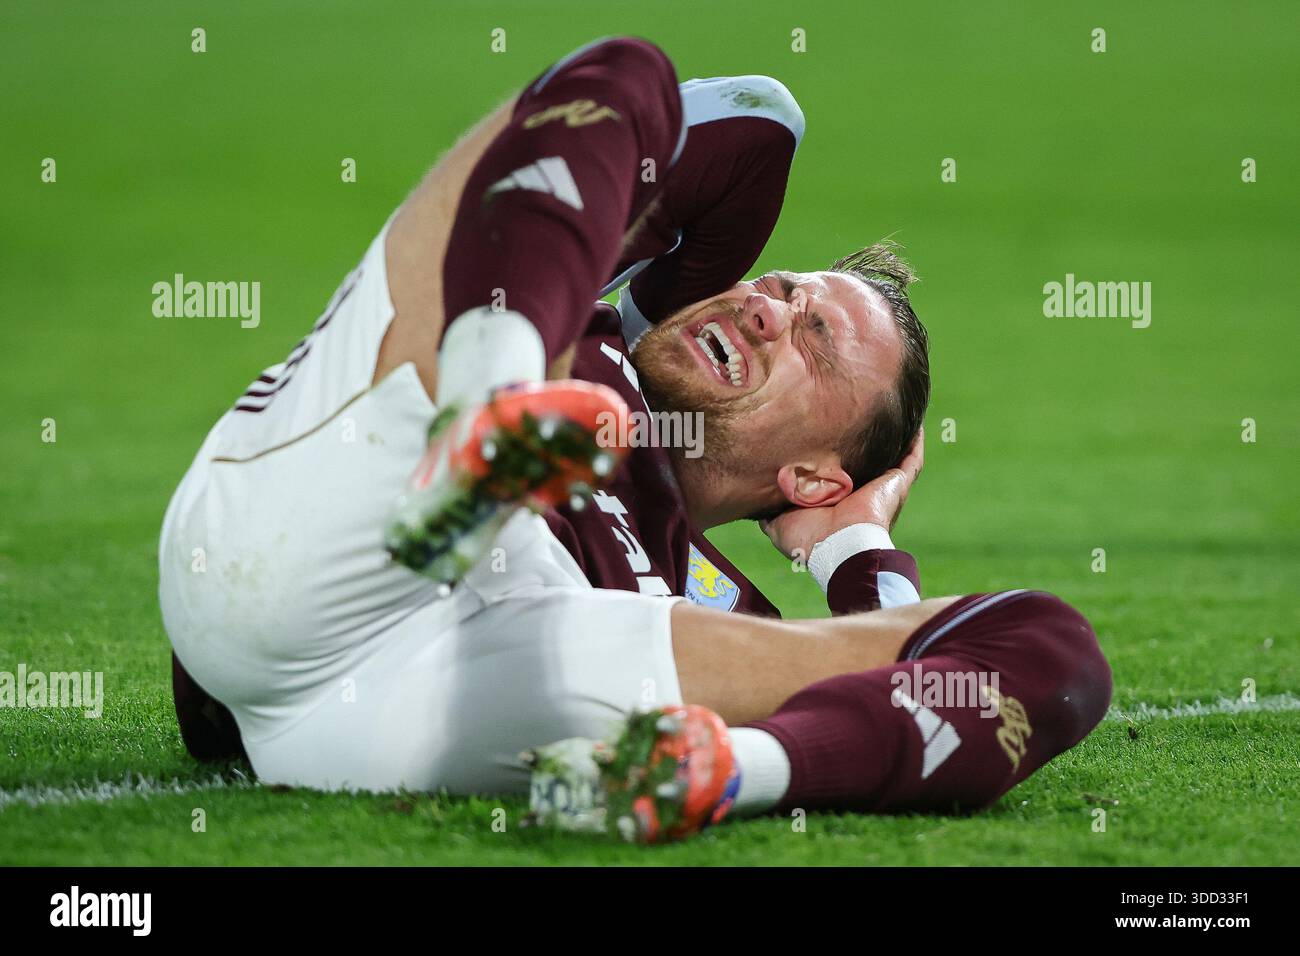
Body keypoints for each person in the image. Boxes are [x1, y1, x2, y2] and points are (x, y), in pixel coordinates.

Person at [160, 36, 1110, 842]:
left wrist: (856, 549)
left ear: (816, 477)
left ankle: (716, 772)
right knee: (627, 77)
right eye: (780, 289)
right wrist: (578, 335)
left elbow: (928, 671)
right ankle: (486, 424)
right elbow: (754, 120)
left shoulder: (735, 616)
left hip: (433, 704)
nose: (767, 311)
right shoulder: (577, 317)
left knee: (1058, 647)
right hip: (342, 514)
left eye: (813, 344)